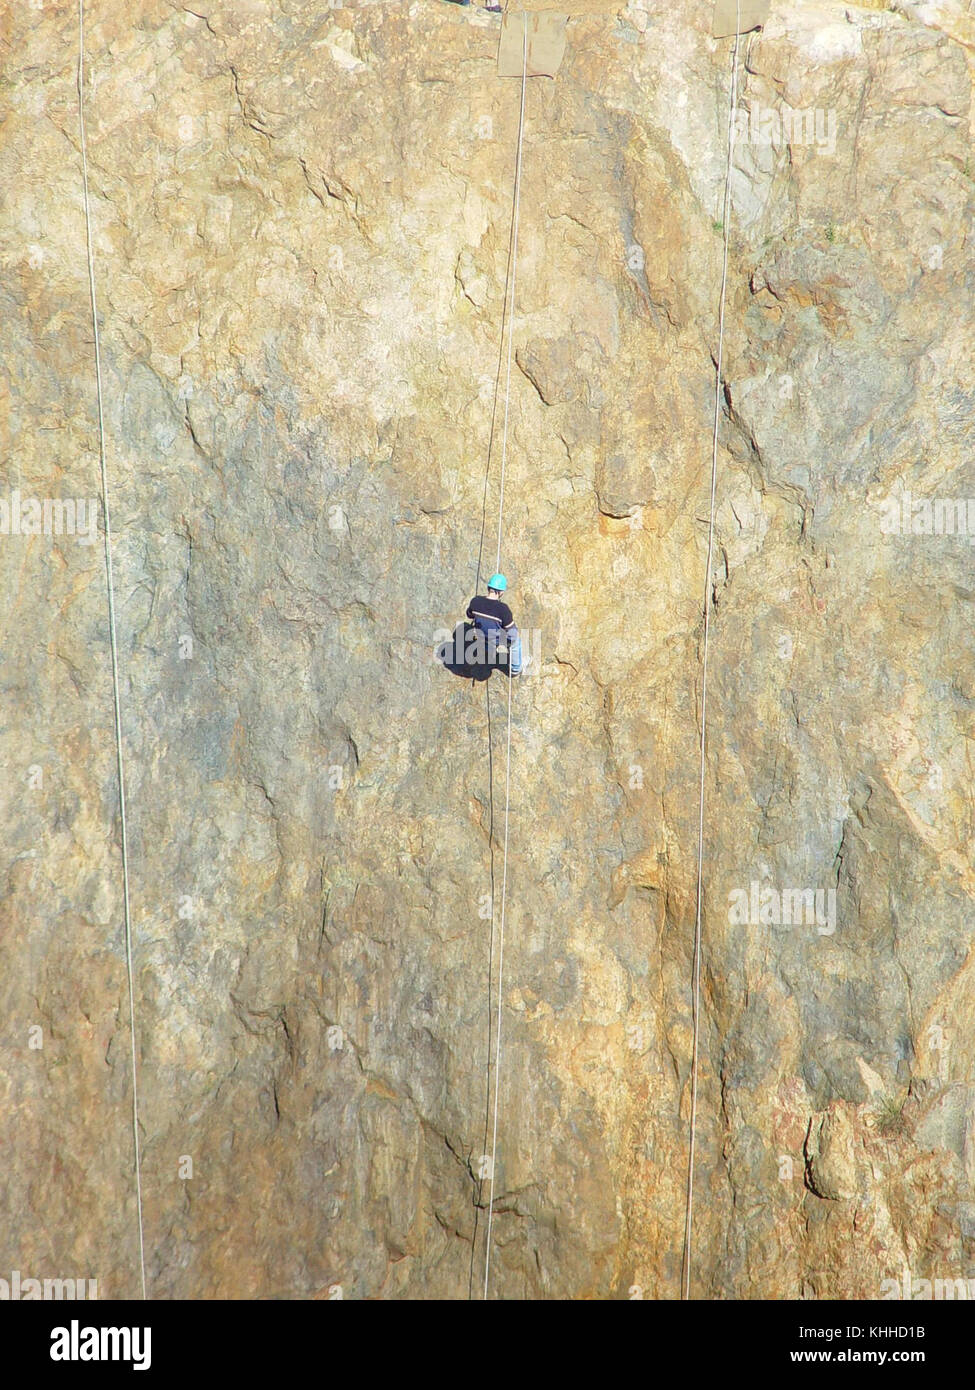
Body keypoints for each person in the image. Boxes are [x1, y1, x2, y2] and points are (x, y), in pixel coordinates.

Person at [465, 572, 529, 676]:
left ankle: (487, 649)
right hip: (494, 638)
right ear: (501, 592)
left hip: (482, 636)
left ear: (488, 587)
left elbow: (469, 615)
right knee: (516, 641)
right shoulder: (503, 609)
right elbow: (512, 634)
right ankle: (516, 669)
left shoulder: (475, 601)